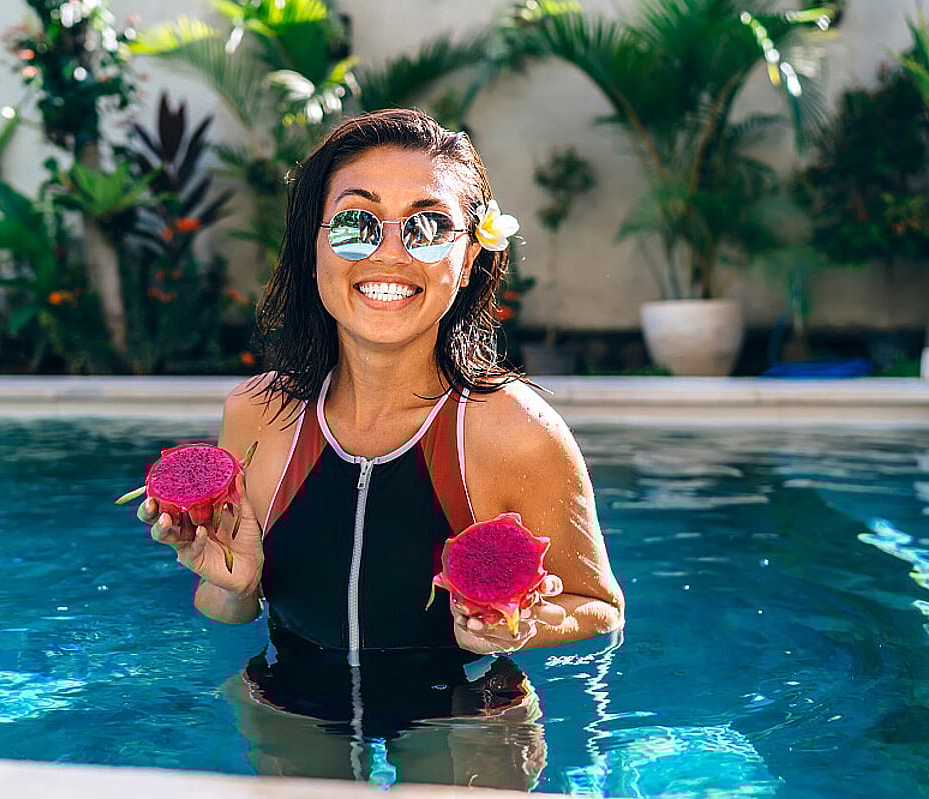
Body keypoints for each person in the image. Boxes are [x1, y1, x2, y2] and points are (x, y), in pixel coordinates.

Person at [137, 108, 624, 787]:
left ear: (469, 257)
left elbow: (599, 606)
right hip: (289, 699)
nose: (389, 253)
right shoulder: (257, 413)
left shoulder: (514, 429)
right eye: (355, 222)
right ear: (313, 246)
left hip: (468, 710)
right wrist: (232, 586)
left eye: (427, 227)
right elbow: (229, 606)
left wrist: (519, 625)